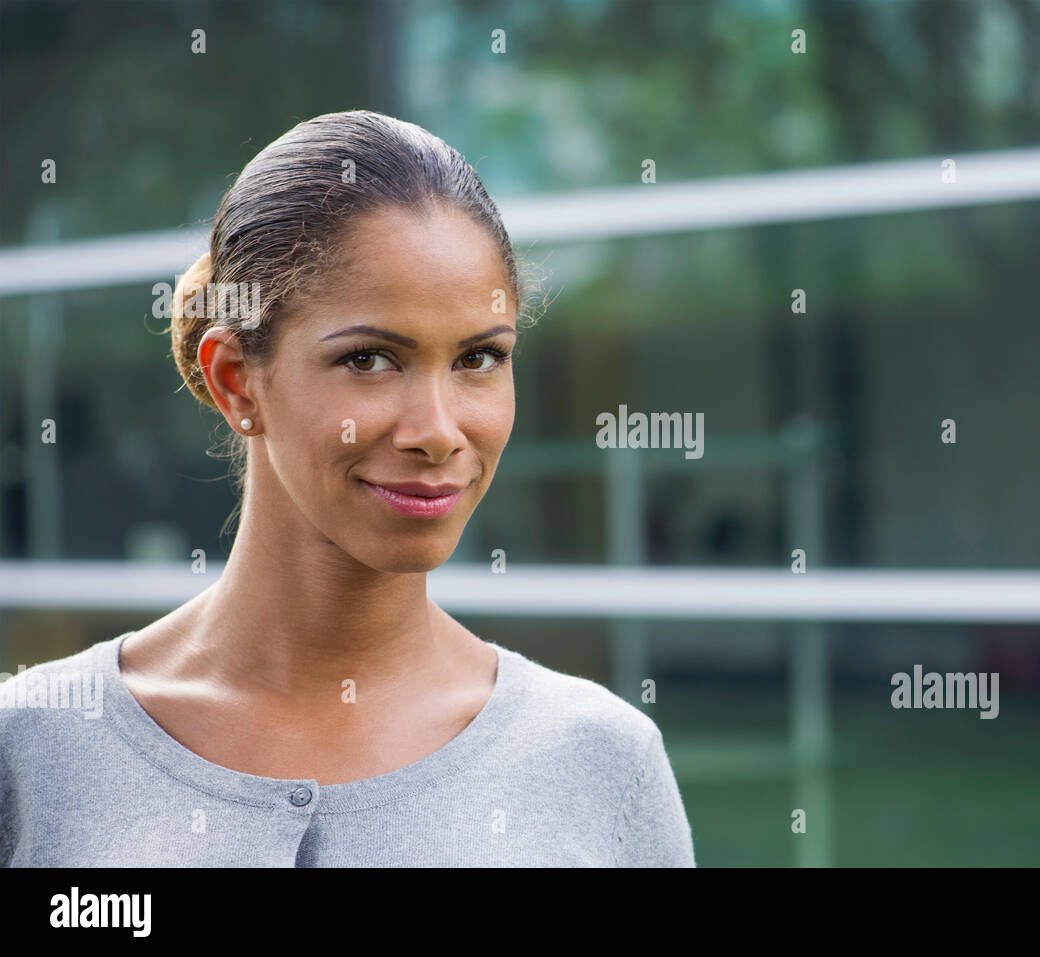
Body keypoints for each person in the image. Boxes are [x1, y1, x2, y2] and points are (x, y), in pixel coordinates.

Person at [0, 110, 694, 867]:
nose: (437, 429)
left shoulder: (601, 762)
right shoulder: (33, 748)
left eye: (479, 359)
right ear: (238, 381)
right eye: (369, 359)